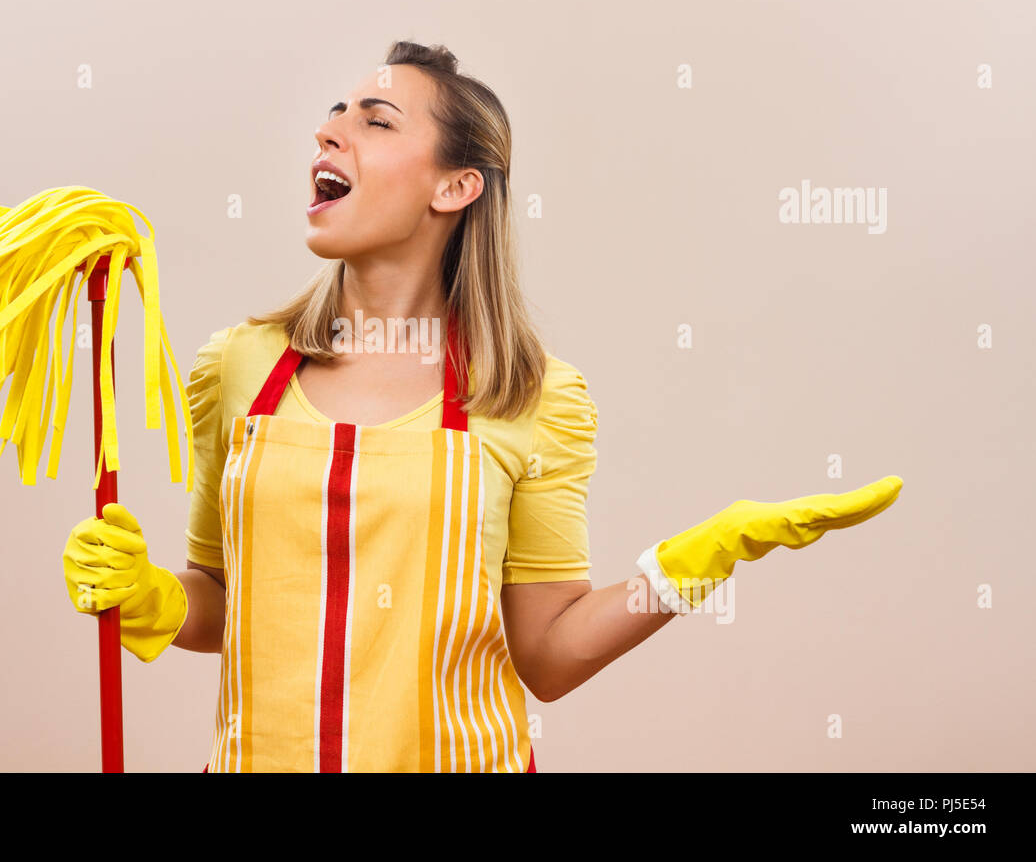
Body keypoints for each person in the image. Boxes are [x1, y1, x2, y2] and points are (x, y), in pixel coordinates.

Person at [61, 40, 903, 772]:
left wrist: (695, 560)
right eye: (334, 112)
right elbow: (224, 596)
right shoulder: (242, 367)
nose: (329, 129)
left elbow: (549, 657)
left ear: (457, 186)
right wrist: (156, 597)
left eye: (377, 121)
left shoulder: (533, 399)